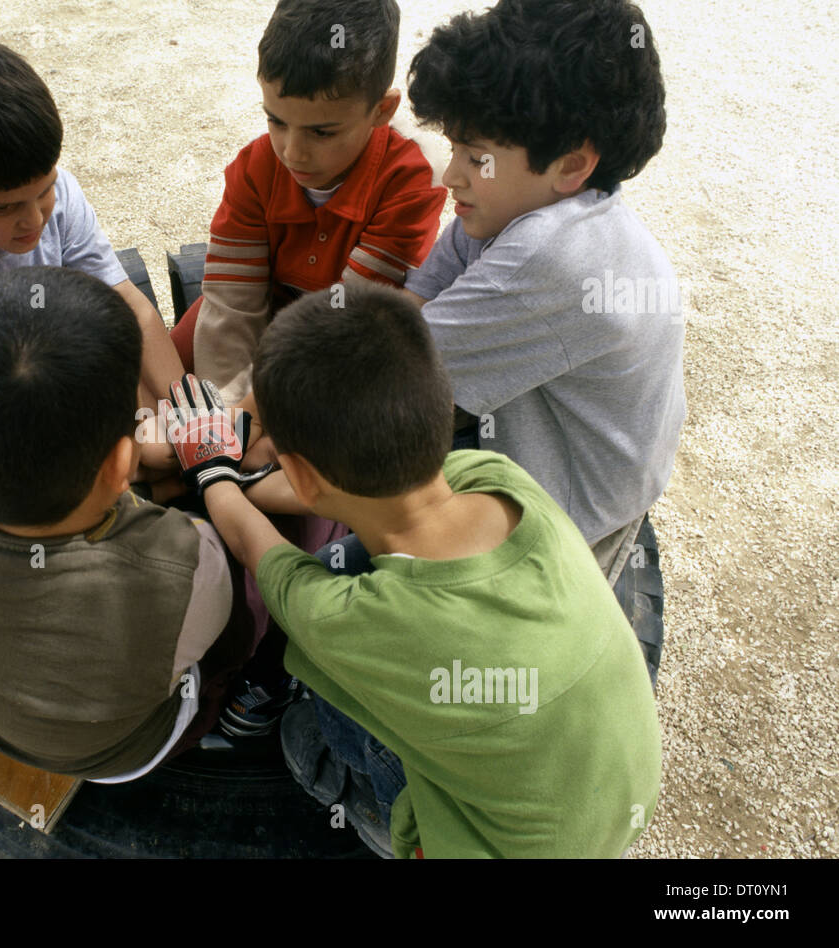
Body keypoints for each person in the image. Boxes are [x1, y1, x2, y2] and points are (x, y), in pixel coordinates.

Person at [161, 283, 662, 857]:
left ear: (299, 472)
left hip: (496, 848)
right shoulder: (492, 475)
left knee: (305, 732)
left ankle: (378, 822)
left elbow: (258, 552)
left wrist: (208, 467)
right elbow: (314, 495)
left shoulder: (355, 621)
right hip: (622, 783)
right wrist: (239, 474)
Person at [0, 266, 273, 780]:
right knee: (247, 605)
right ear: (121, 465)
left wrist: (140, 470)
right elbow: (222, 572)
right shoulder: (183, 566)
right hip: (115, 752)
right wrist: (210, 470)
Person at [402, 0, 683, 686]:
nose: (450, 176)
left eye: (476, 156)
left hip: (576, 513)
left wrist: (237, 441)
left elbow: (382, 372)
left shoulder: (553, 258)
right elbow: (408, 314)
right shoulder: (507, 207)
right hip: (555, 445)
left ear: (571, 165)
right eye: (454, 147)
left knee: (389, 644)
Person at [171, 0, 446, 428]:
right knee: (169, 376)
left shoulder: (410, 179)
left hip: (350, 339)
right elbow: (233, 303)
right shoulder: (255, 167)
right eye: (276, 121)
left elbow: (346, 324)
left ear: (382, 111)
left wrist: (250, 418)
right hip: (263, 316)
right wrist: (224, 411)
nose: (292, 152)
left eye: (322, 132)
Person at [0, 42, 185, 419]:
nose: (35, 219)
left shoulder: (61, 191)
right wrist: (142, 434)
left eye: (45, 189)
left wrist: (192, 412)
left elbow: (124, 302)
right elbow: (15, 386)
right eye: (4, 207)